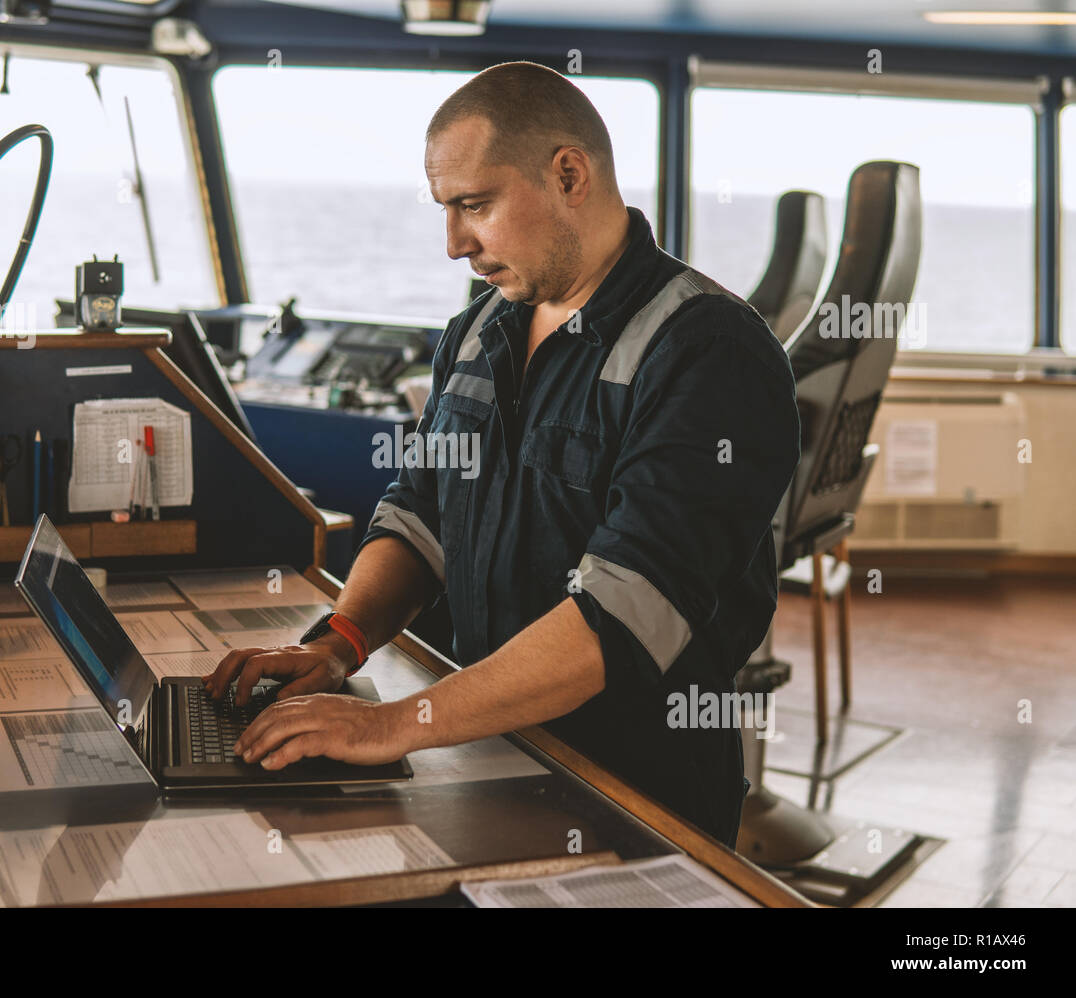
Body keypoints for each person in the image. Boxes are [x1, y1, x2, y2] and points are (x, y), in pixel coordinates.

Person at [205, 60, 800, 847]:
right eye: (446, 209)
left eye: (474, 206)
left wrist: (391, 725)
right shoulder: (480, 332)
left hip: (635, 792)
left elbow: (623, 616)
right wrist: (340, 644)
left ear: (568, 175)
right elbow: (420, 513)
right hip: (484, 748)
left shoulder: (709, 352)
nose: (454, 243)